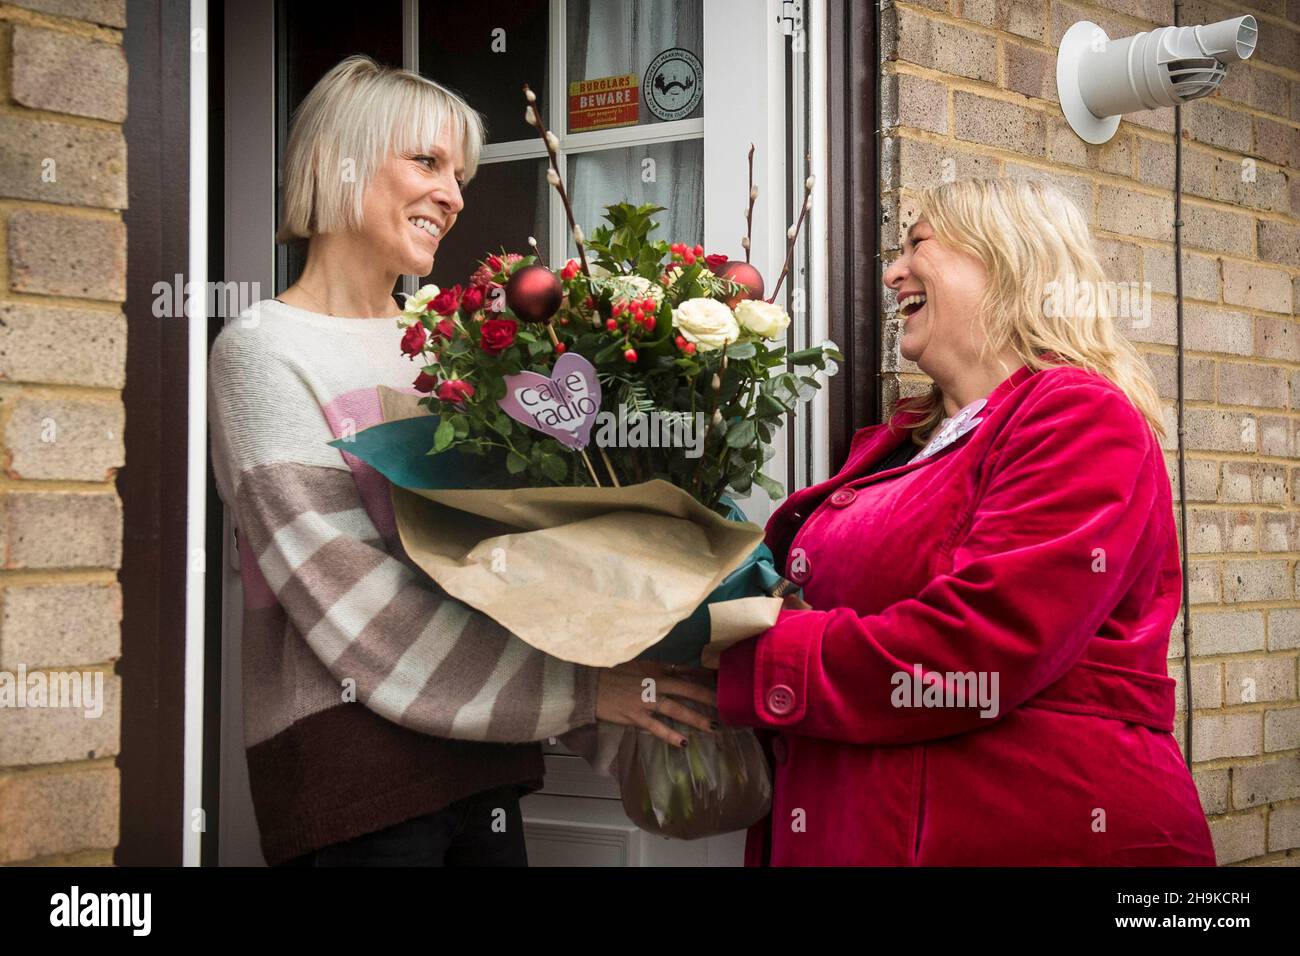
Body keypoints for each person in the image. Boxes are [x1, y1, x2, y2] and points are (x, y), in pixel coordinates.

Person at [208, 55, 713, 867]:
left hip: (483, 765)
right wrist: (586, 693)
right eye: (427, 162)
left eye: (460, 173)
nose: (454, 195)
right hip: (356, 785)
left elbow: (508, 564)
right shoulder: (263, 352)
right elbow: (348, 590)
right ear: (339, 162)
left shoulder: (444, 348)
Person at [714, 177, 1216, 866]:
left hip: (1027, 825)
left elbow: (975, 648)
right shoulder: (902, 442)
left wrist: (745, 659)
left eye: (917, 244)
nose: (892, 272)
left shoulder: (1078, 416)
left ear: (1010, 262)